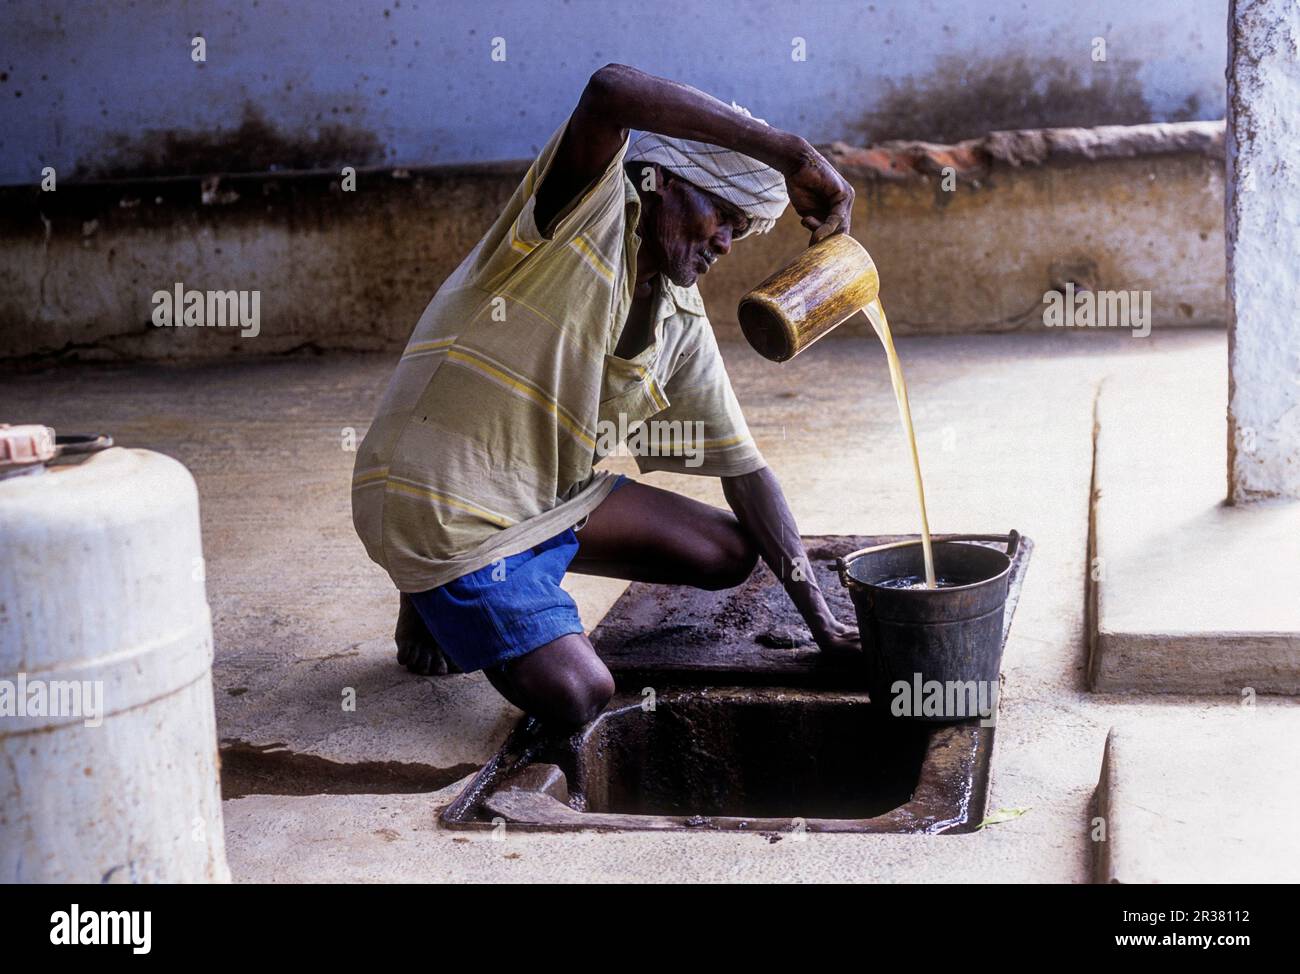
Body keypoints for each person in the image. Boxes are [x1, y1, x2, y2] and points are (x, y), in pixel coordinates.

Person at [352, 63, 860, 726]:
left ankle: (459, 598)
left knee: (731, 553)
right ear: (662, 182)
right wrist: (794, 155)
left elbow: (747, 472)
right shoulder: (578, 214)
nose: (727, 242)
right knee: (579, 694)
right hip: (444, 507)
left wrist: (826, 629)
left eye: (740, 227)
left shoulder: (680, 314)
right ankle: (431, 590)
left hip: (547, 502)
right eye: (723, 215)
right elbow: (610, 90)